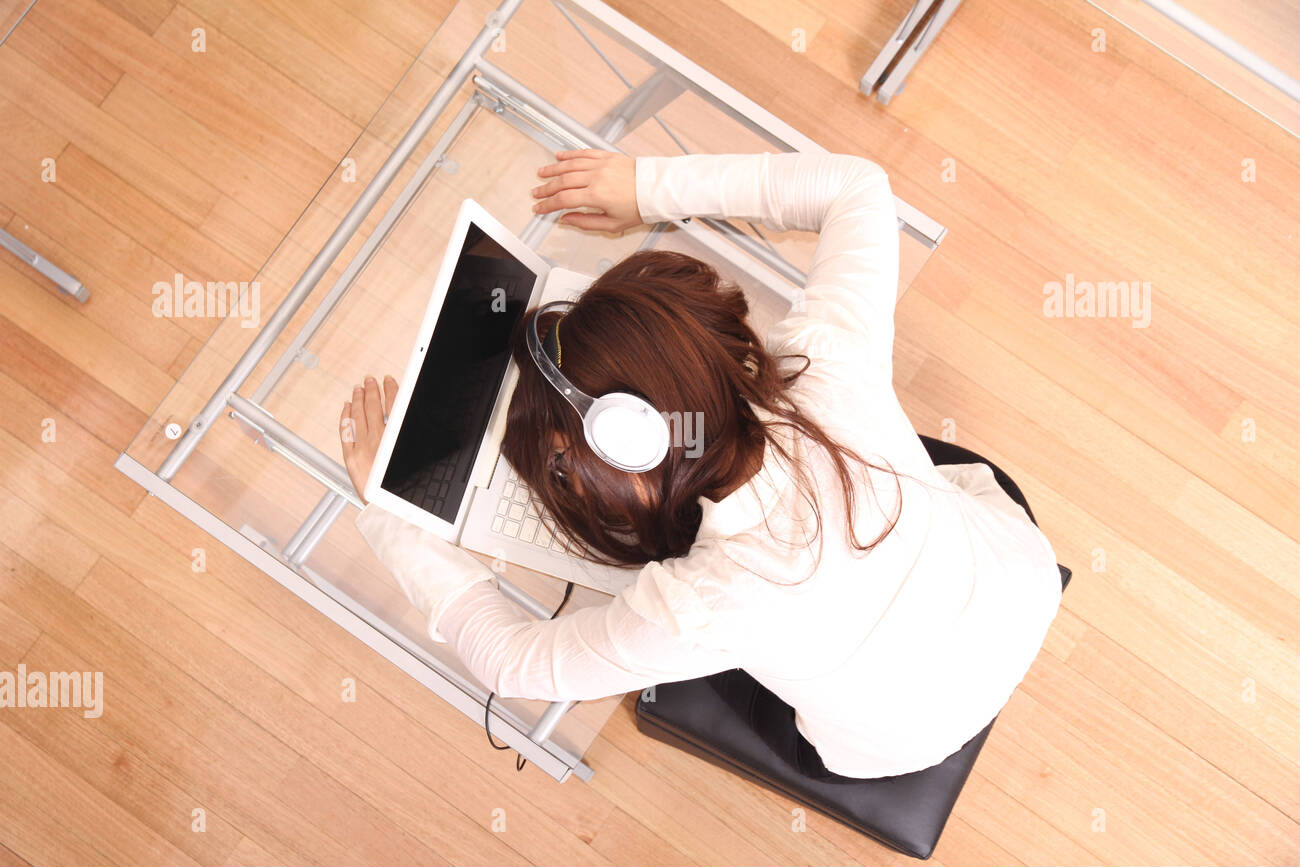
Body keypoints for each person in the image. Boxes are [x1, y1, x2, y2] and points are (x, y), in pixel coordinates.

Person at [338, 149, 1064, 780]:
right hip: (1016, 580)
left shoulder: (702, 609)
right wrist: (650, 186)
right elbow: (858, 187)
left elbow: (514, 665)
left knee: (679, 672)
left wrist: (390, 510)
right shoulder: (828, 362)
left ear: (629, 445)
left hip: (905, 740)